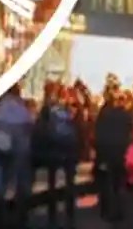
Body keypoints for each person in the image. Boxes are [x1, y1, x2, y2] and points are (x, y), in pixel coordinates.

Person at [0, 83, 35, 227]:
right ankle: (20, 217)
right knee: (20, 184)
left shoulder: (0, 109)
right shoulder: (22, 110)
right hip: (20, 151)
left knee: (0, 183)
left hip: (0, 149)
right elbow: (29, 128)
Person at [36, 81, 80, 229]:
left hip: (53, 148)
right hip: (68, 148)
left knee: (52, 182)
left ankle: (52, 213)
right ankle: (70, 212)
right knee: (69, 182)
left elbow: (40, 130)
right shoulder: (68, 109)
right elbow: (76, 127)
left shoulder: (46, 109)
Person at [93, 89, 133, 224]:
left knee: (106, 183)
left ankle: (107, 211)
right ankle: (119, 210)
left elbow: (97, 135)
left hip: (106, 153)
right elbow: (131, 134)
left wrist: (98, 152)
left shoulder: (103, 115)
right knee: (119, 183)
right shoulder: (126, 115)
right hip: (121, 152)